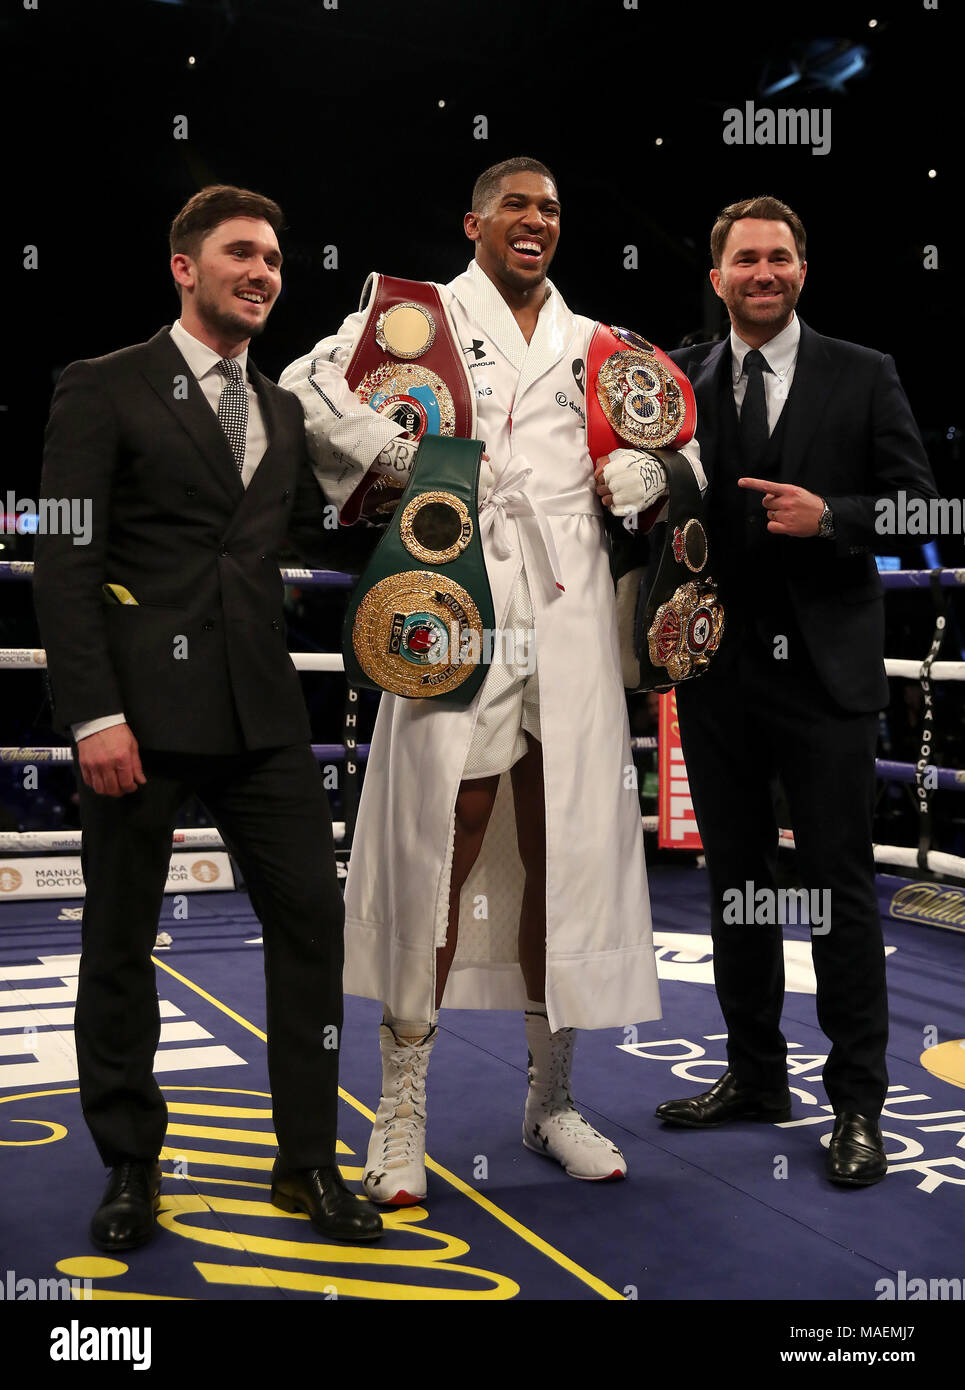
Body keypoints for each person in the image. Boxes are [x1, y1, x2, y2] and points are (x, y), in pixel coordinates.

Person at [281, 156, 704, 1204]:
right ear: (472, 221)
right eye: (515, 204)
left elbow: (681, 445)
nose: (535, 220)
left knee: (560, 846)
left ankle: (550, 1098)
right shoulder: (411, 318)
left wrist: (649, 480)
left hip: (566, 610)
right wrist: (393, 449)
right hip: (452, 594)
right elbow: (302, 387)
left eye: (551, 208)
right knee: (440, 842)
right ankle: (401, 1112)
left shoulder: (601, 347)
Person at [33, 184, 382, 1249]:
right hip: (138, 711)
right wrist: (92, 713)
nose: (264, 272)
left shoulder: (283, 410)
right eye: (242, 252)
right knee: (120, 941)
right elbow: (63, 558)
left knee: (312, 935)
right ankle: (132, 1165)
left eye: (275, 258)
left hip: (263, 715)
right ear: (183, 266)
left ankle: (307, 1163)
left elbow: (299, 544)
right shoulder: (100, 388)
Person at [655, 195, 938, 1185]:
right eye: (744, 259)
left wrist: (831, 517)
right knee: (734, 885)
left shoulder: (862, 374)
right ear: (716, 273)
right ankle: (753, 1074)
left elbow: (923, 503)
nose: (761, 272)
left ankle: (856, 1101)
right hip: (716, 670)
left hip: (823, 675)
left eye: (778, 257)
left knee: (837, 890)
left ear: (801, 270)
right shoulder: (679, 378)